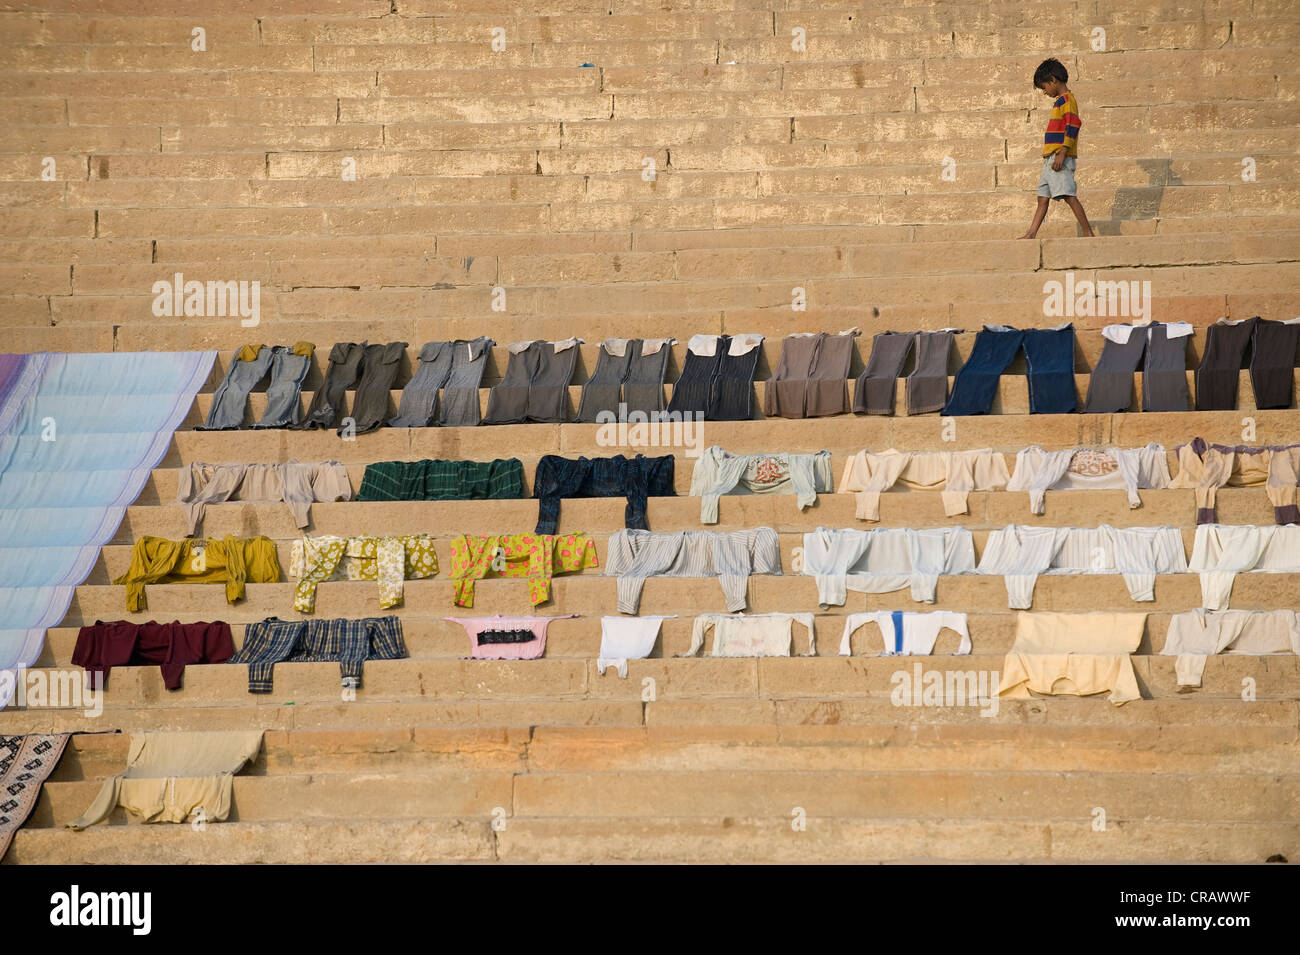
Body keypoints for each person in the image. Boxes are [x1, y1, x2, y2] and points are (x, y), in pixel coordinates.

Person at [1019, 57, 1094, 238]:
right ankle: (1031, 233)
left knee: (1068, 195)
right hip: (1050, 160)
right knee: (1042, 198)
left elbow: (1073, 125)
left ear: (1053, 80)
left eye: (1044, 87)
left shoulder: (1067, 100)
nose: (1044, 92)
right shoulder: (1061, 101)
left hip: (1059, 157)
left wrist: (1062, 152)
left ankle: (1088, 233)